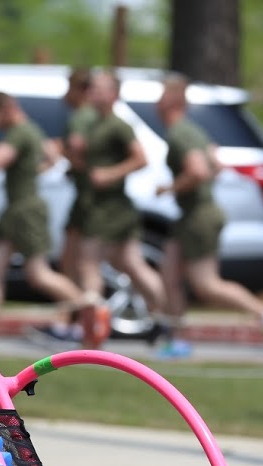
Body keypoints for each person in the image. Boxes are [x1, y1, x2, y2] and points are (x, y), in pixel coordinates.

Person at [153, 74, 263, 358]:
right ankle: (175, 337)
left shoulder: (181, 133)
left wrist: (171, 187)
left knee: (206, 284)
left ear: (172, 101)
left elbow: (200, 170)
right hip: (191, 214)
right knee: (169, 274)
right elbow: (216, 163)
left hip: (199, 216)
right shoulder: (193, 131)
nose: (157, 102)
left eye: (162, 96)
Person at [0, 91, 92, 338]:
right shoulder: (30, 129)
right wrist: (31, 172)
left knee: (38, 274)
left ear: (3, 110)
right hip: (15, 209)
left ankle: (90, 310)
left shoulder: (20, 132)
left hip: (25, 210)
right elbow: (52, 155)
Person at [79, 70, 167, 340]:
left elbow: (141, 159)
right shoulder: (95, 123)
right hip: (100, 206)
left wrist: (110, 174)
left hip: (111, 208)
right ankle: (164, 321)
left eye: (100, 88)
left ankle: (93, 328)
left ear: (114, 94)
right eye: (92, 87)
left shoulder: (119, 124)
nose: (93, 91)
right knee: (130, 262)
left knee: (88, 262)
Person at [58, 67, 112, 344]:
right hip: (89, 199)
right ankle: (79, 321)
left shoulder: (82, 116)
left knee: (80, 264)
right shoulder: (96, 117)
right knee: (81, 263)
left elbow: (78, 147)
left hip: (90, 202)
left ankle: (84, 323)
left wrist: (62, 151)